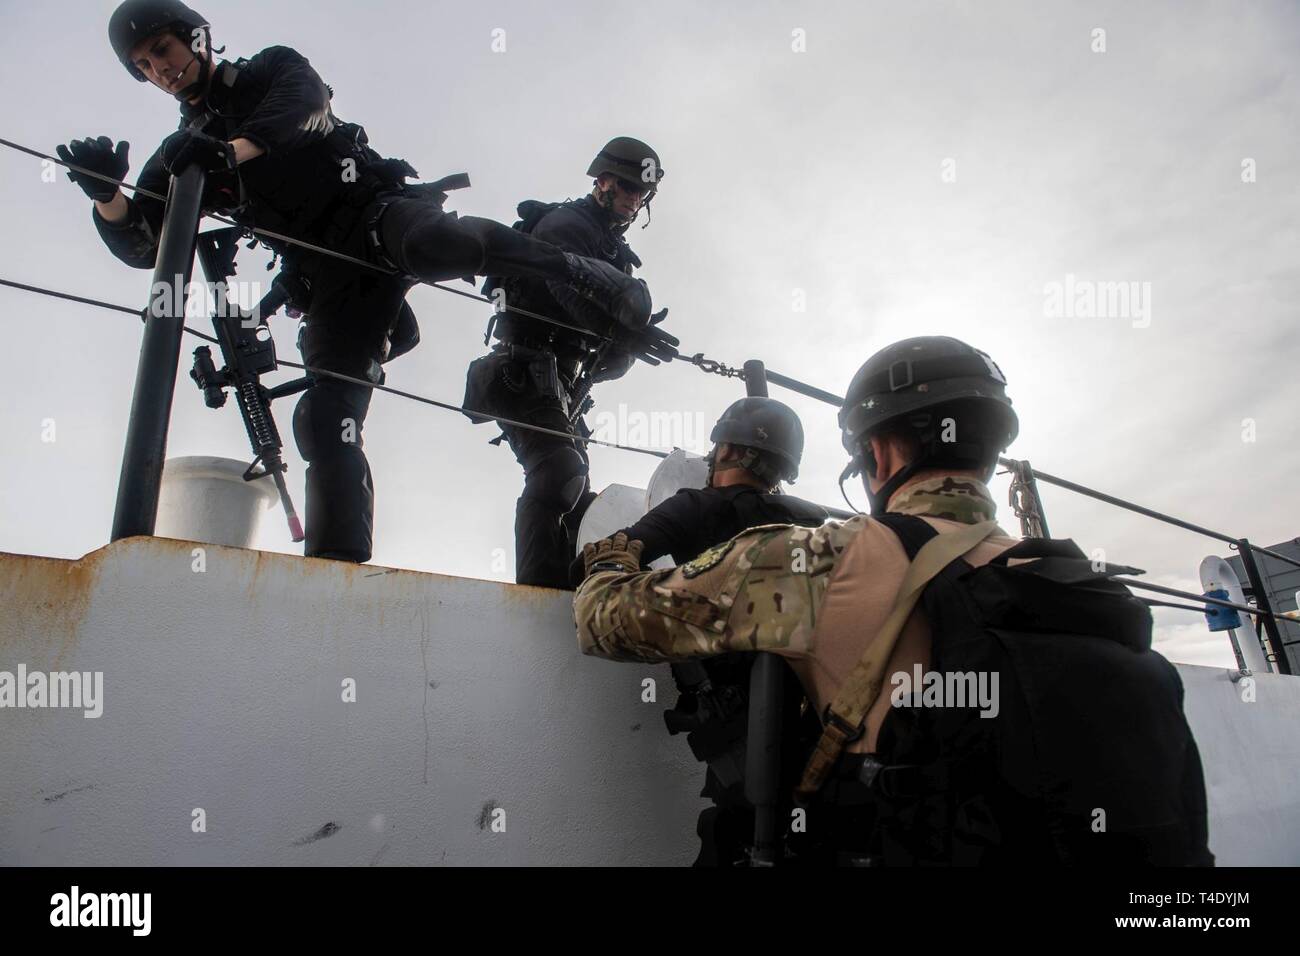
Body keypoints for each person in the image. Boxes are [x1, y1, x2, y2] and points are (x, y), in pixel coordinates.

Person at [574, 335, 1213, 866]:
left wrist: (608, 559)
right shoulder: (1068, 581)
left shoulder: (816, 560)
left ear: (877, 452)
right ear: (988, 452)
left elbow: (602, 620)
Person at [60, 0, 655, 563]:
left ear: (195, 37)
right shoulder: (179, 155)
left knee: (440, 245)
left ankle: (576, 269)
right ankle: (335, 569)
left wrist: (229, 152)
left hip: (375, 215)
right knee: (325, 419)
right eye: (144, 65)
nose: (160, 69)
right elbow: (147, 244)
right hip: (331, 277)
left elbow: (304, 108)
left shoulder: (268, 70)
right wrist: (107, 196)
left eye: (162, 50)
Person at [573, 396, 829, 866]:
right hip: (816, 736)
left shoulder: (696, 506)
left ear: (726, 449)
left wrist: (609, 565)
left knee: (733, 840)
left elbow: (617, 551)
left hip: (741, 733)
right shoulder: (811, 523)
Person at [464, 137, 677, 589]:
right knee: (558, 472)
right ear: (603, 181)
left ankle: (573, 587)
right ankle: (537, 593)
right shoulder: (567, 225)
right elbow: (566, 288)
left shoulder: (614, 253)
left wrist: (625, 344)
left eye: (642, 193)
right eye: (628, 187)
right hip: (522, 367)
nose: (634, 199)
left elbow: (606, 350)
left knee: (577, 493)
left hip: (562, 381)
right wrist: (622, 331)